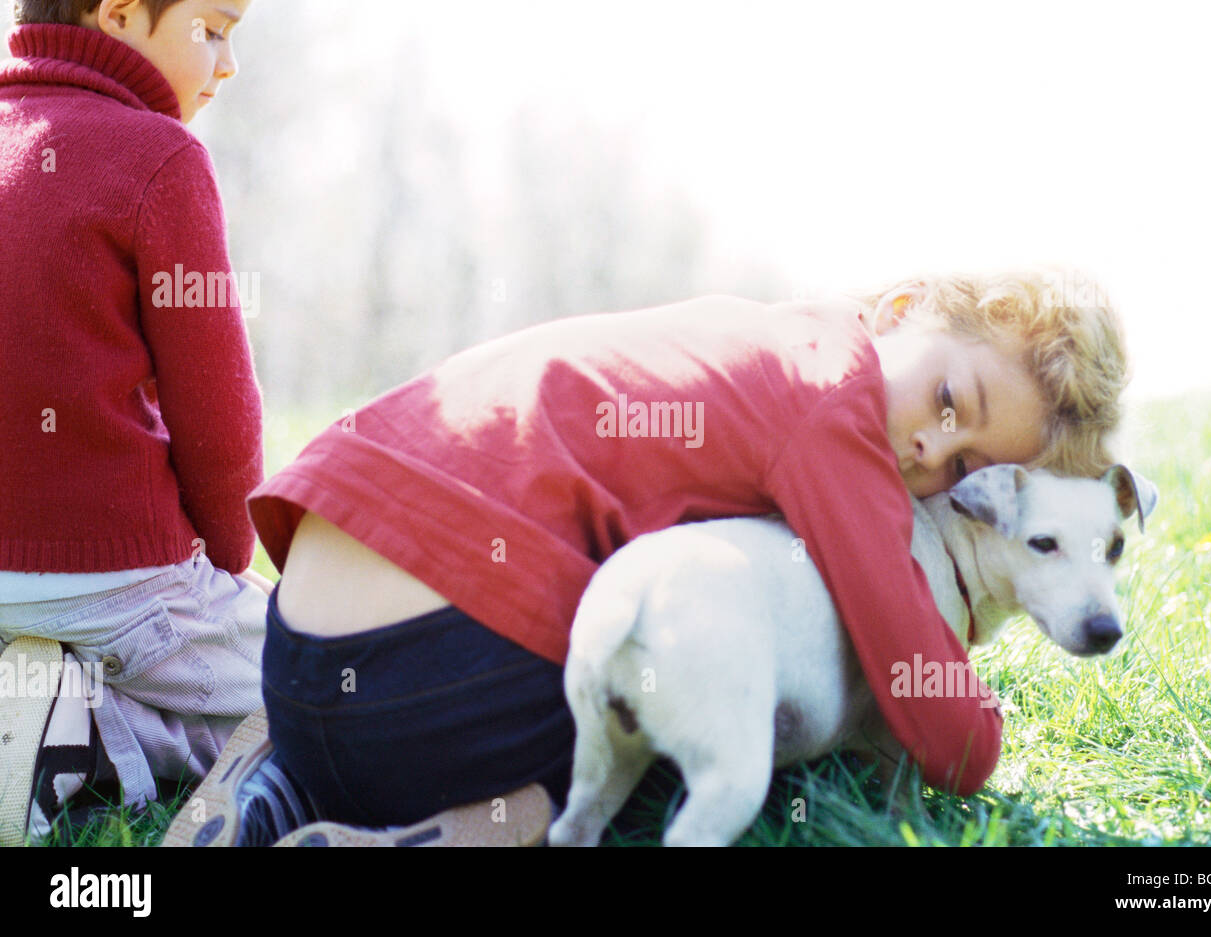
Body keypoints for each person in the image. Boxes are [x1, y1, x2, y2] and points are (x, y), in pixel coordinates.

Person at [172, 270, 1128, 847]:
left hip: (304, 639)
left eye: (962, 465)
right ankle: (430, 827)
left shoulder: (768, 333)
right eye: (948, 400)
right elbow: (930, 702)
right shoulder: (833, 412)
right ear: (909, 305)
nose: (927, 450)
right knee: (640, 705)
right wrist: (988, 731)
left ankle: (284, 775)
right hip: (421, 677)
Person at [0, 0, 263, 845]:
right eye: (214, 29)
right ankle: (94, 738)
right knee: (331, 679)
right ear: (117, 14)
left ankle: (42, 704)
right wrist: (225, 570)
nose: (227, 65)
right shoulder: (159, 157)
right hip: (121, 580)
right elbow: (219, 426)